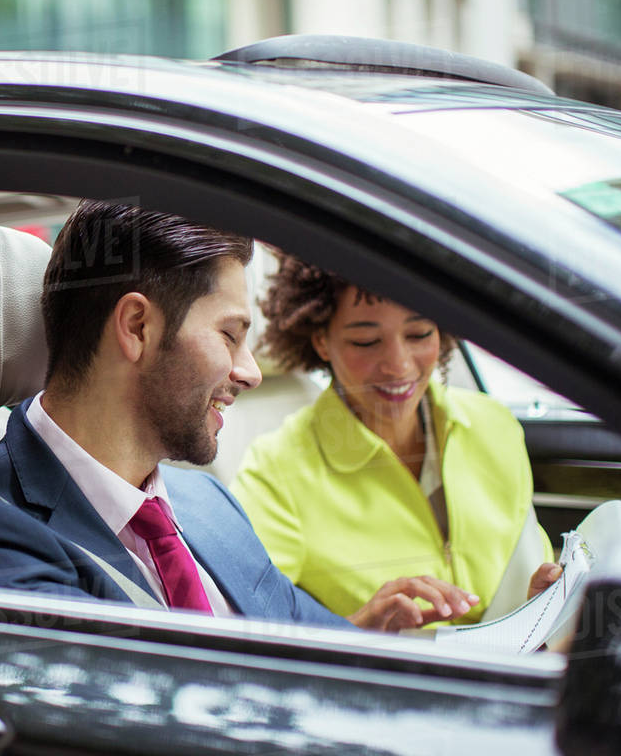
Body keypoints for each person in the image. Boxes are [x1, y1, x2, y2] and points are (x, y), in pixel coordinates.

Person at [0, 201, 478, 631]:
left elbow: (309, 642)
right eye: (230, 335)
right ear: (137, 327)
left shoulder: (209, 504)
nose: (251, 373)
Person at [230, 253, 561, 625]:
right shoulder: (277, 471)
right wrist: (360, 631)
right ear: (322, 341)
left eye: (420, 334)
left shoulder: (493, 425)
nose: (399, 365)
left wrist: (539, 604)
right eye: (367, 341)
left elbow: (525, 568)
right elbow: (253, 638)